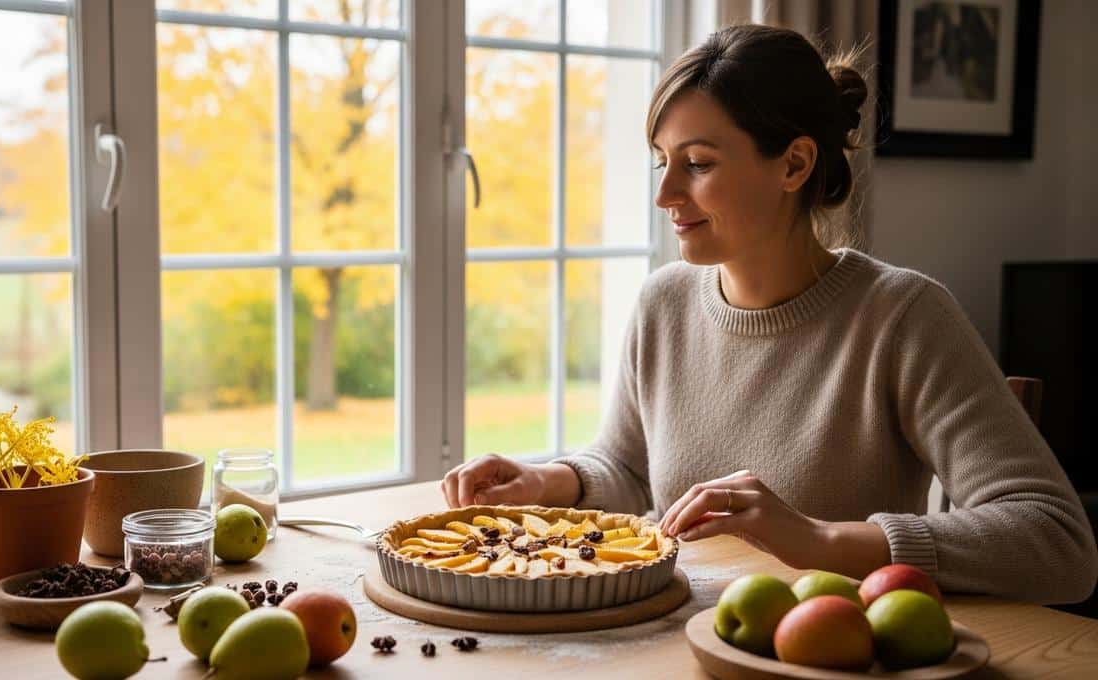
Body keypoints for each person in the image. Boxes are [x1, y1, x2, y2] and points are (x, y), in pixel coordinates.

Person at [440, 24, 1098, 604]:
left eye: (697, 164)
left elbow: (1060, 546)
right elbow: (632, 471)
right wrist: (547, 479)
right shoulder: (662, 303)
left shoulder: (904, 316)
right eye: (662, 162)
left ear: (794, 162)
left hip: (829, 658)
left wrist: (818, 540)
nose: (665, 194)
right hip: (681, 645)